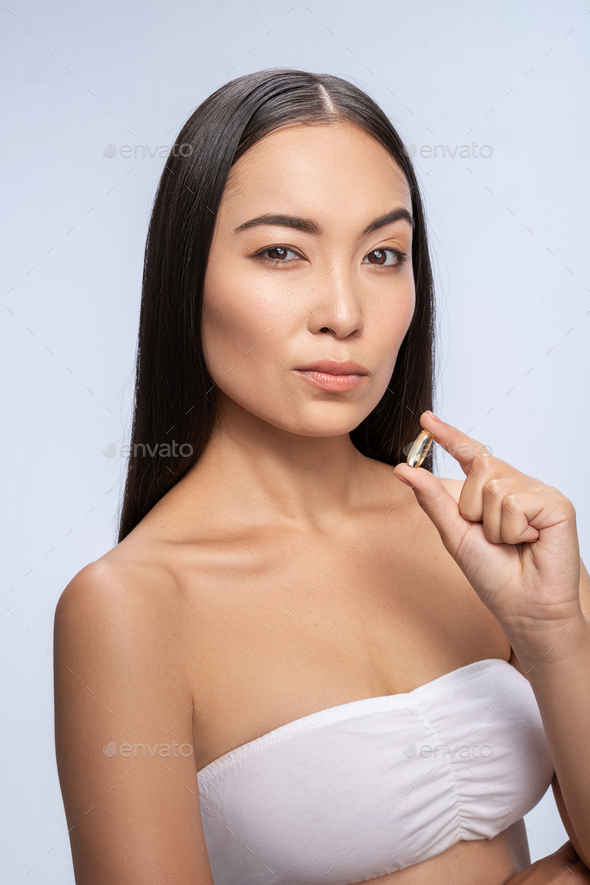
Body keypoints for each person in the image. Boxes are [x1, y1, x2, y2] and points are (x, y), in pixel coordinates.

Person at [53, 69, 590, 884]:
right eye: (281, 251)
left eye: (383, 254)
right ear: (187, 274)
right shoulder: (131, 607)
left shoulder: (484, 539)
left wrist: (554, 633)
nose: (345, 310)